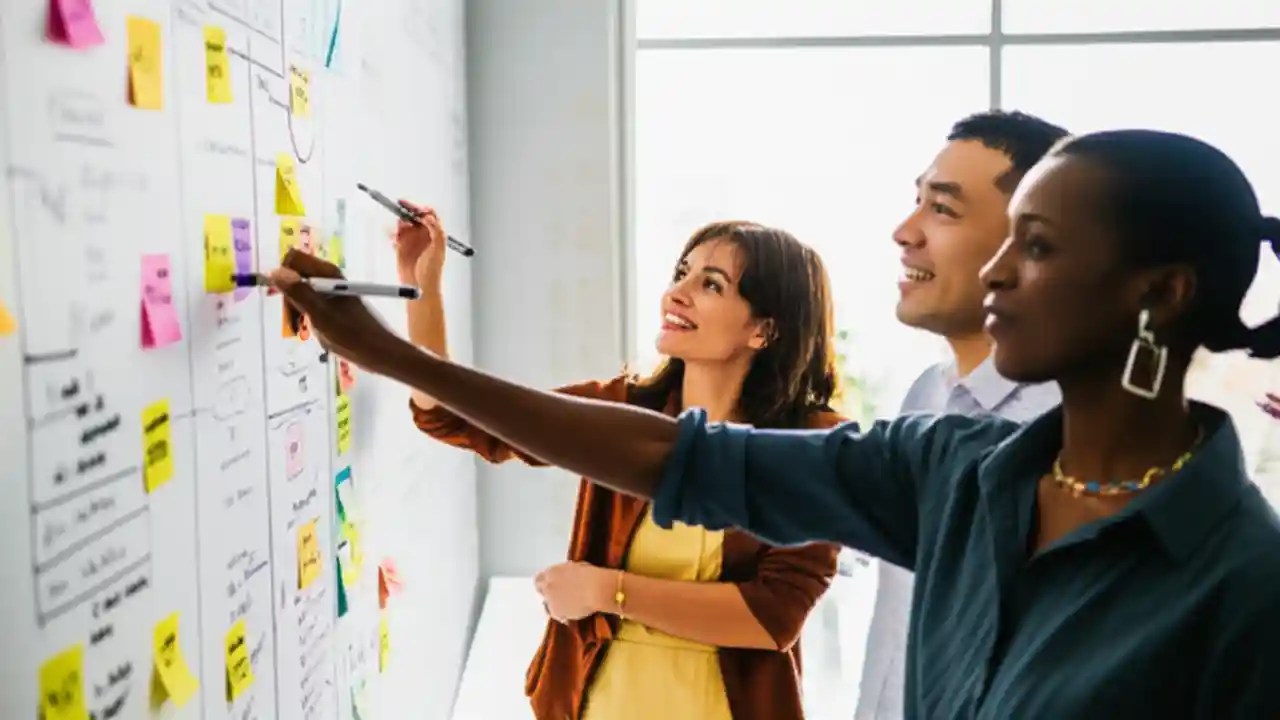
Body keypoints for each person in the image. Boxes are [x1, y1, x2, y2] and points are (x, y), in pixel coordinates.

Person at [272, 128, 1280, 717]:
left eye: (1039, 246)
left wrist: (607, 589)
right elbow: (673, 457)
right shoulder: (949, 464)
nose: (996, 272)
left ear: (1158, 295)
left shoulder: (1242, 584)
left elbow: (768, 610)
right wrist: (390, 342)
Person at [390, 208, 847, 720]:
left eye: (711, 285)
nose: (677, 293)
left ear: (763, 330)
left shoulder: (814, 446)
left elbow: (773, 615)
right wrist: (421, 282)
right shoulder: (621, 414)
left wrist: (607, 591)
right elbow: (452, 417)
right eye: (682, 274)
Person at [858, 110, 1069, 719]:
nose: (905, 231)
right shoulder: (925, 397)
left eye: (942, 209)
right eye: (916, 201)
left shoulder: (1070, 432)